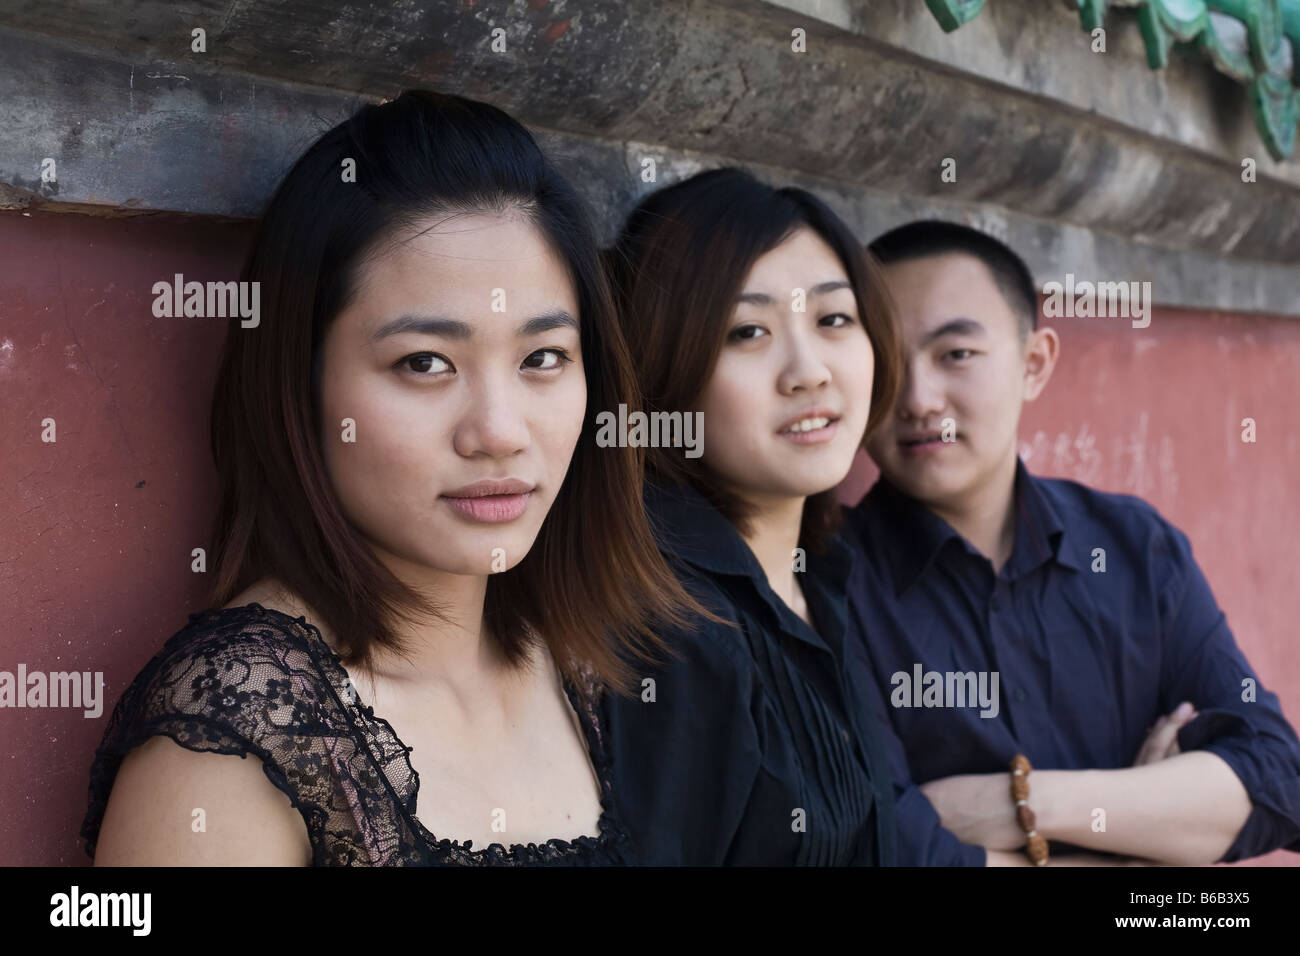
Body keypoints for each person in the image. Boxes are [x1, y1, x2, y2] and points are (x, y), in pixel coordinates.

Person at [80, 89, 700, 866]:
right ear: (299, 386)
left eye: (542, 358)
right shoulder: (235, 739)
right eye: (424, 364)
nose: (499, 432)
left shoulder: (569, 652)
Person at [842, 219, 1300, 865]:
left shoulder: (1135, 546)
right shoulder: (828, 584)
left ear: (1034, 365)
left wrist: (1020, 805)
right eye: (887, 361)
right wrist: (1149, 829)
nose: (917, 398)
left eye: (956, 355)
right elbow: (883, 845)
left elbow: (1277, 776)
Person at [600, 167, 903, 865]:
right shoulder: (674, 627)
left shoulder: (821, 576)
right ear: (664, 367)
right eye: (747, 332)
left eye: (833, 319)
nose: (808, 371)